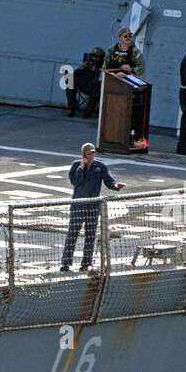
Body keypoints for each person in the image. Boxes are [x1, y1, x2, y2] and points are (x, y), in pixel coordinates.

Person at [62, 143, 124, 272]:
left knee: (90, 235)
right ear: (84, 154)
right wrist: (81, 168)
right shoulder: (76, 165)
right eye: (89, 153)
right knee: (72, 234)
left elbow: (108, 180)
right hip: (78, 205)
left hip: (93, 206)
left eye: (93, 153)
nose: (92, 155)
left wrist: (115, 186)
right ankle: (66, 263)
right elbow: (75, 182)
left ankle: (86, 263)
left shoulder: (100, 167)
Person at [66, 48, 105, 118]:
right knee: (70, 83)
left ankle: (88, 112)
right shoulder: (87, 63)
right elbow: (76, 73)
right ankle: (72, 108)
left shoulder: (103, 66)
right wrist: (82, 67)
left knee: (97, 90)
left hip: (95, 87)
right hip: (83, 85)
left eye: (97, 57)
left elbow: (102, 79)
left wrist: (96, 70)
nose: (94, 59)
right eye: (93, 56)